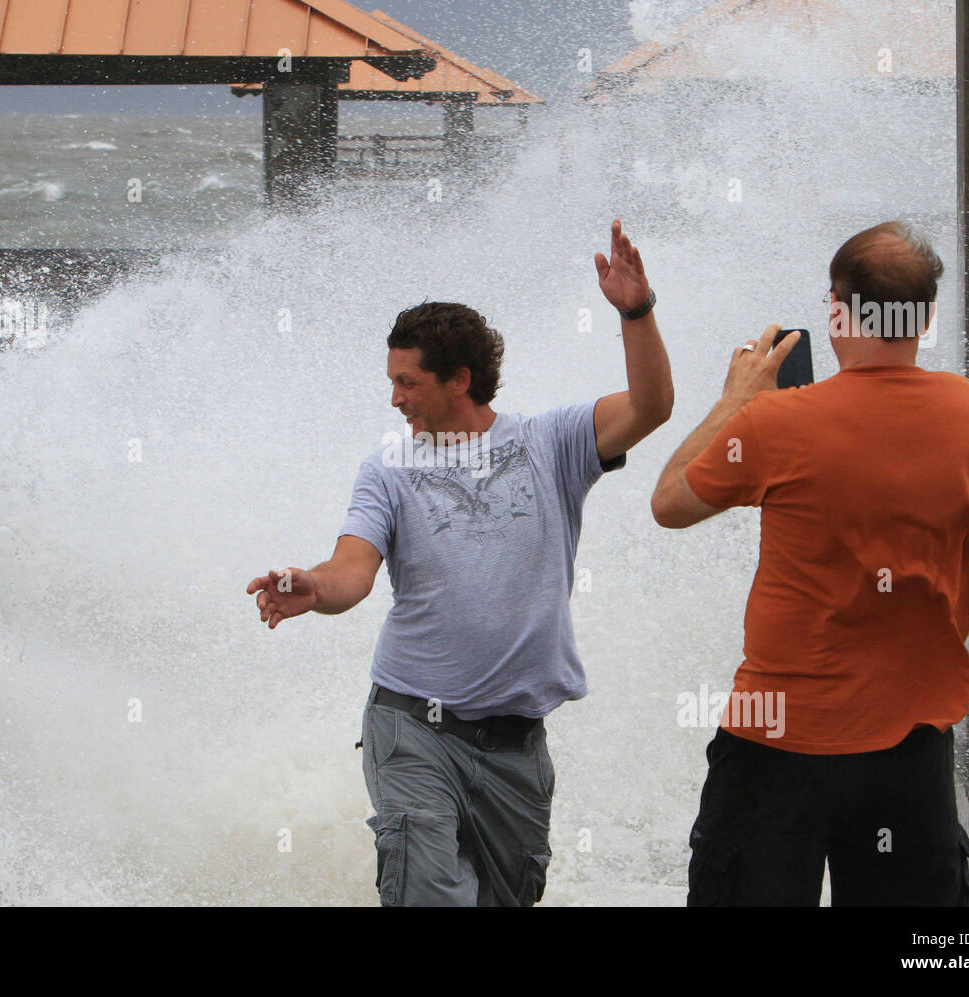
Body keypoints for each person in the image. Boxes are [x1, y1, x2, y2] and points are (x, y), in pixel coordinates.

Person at [247, 220, 674, 906]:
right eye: (391, 381)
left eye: (408, 382)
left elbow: (654, 407)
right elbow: (352, 570)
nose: (394, 398)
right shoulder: (387, 469)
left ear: (461, 379)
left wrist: (635, 310)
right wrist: (312, 586)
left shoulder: (552, 442)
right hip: (413, 728)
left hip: (516, 745)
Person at [651, 221, 969, 906]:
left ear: (837, 310)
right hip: (911, 744)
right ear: (925, 315)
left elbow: (670, 500)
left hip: (779, 737)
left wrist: (737, 400)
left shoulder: (776, 424)